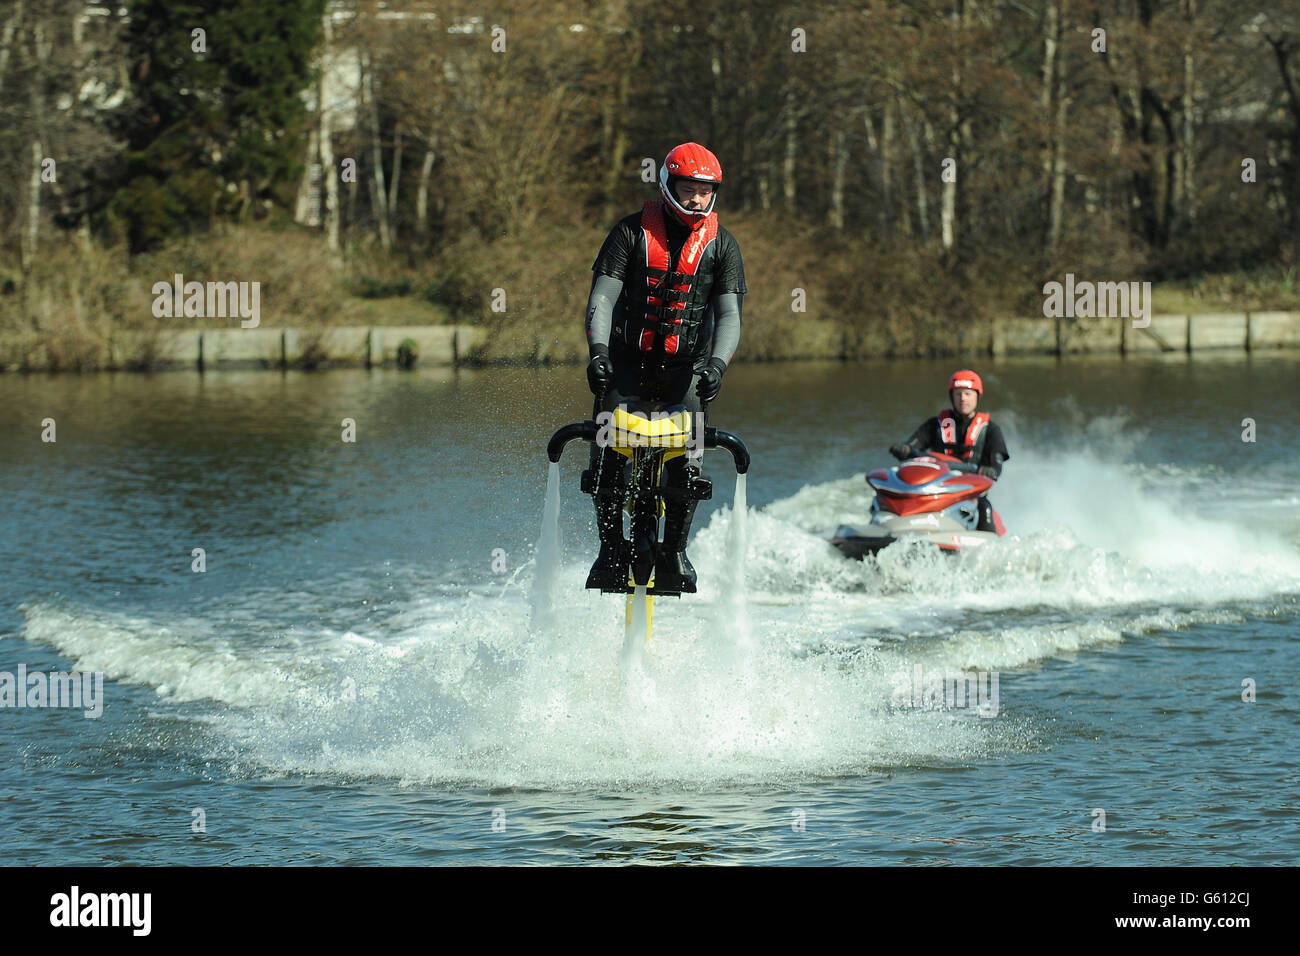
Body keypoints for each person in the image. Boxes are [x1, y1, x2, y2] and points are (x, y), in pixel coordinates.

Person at [582, 142, 747, 592]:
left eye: (704, 191)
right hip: (623, 366)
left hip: (687, 375)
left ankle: (674, 549)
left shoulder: (723, 246)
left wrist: (716, 366)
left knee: (686, 464)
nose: (696, 199)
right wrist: (598, 354)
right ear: (668, 185)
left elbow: (729, 316)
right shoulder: (629, 233)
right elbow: (601, 299)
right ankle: (610, 549)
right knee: (606, 452)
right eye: (688, 189)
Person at [888, 369, 1010, 532]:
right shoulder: (935, 425)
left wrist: (988, 470)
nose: (962, 399)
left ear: (977, 396)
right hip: (936, 487)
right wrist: (905, 448)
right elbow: (913, 444)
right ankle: (885, 530)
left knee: (984, 508)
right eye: (958, 394)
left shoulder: (991, 430)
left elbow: (996, 468)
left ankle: (988, 545)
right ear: (952, 396)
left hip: (969, 491)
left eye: (967, 394)